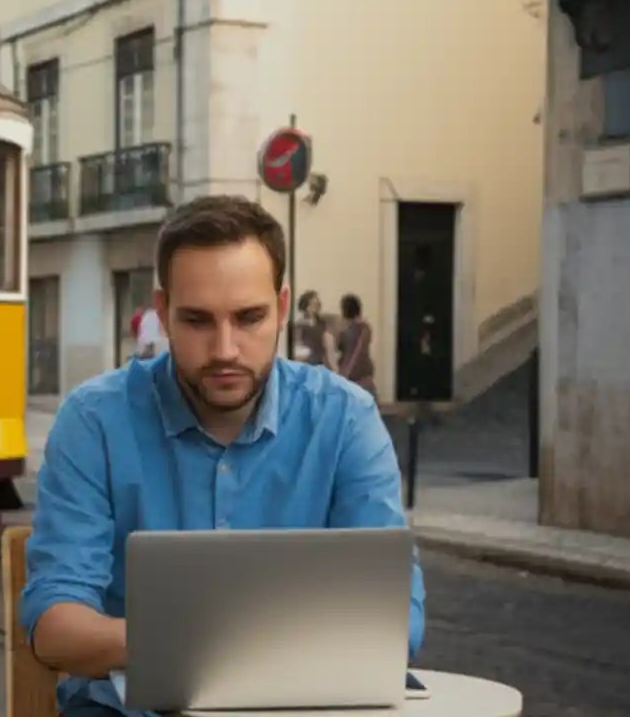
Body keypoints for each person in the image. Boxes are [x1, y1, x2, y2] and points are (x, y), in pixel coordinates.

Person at [21, 195, 425, 717]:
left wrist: (186, 646)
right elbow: (54, 625)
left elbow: (396, 621)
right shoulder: (94, 421)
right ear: (162, 313)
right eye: (197, 321)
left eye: (249, 317)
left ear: (281, 309)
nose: (225, 350)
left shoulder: (345, 418)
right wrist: (236, 648)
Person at [336, 293, 376, 399]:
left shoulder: (343, 329)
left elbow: (338, 347)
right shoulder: (365, 328)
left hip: (347, 370)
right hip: (364, 371)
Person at [293, 289, 334, 366]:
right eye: (313, 304)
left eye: (317, 304)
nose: (317, 306)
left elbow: (328, 345)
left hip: (321, 361)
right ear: (306, 306)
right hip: (307, 361)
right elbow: (298, 344)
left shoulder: (322, 322)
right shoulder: (300, 324)